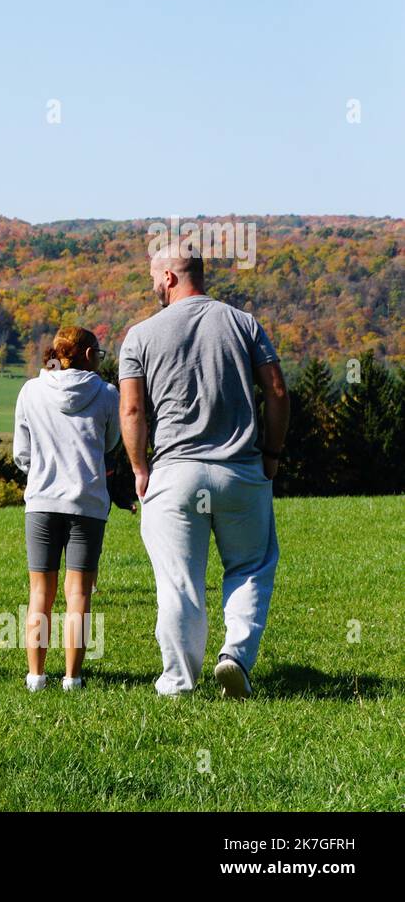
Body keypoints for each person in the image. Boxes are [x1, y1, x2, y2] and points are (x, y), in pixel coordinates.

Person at [119, 243, 289, 699]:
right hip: (240, 470)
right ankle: (235, 655)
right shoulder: (243, 323)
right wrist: (271, 453)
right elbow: (276, 391)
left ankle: (177, 681)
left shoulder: (139, 335)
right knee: (250, 566)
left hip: (175, 473)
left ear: (170, 277)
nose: (153, 285)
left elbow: (133, 409)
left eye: (154, 277)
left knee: (178, 580)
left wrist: (139, 467)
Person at [13, 326, 125, 693]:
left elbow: (21, 454)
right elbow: (110, 443)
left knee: (39, 594)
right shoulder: (108, 394)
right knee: (78, 594)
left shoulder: (31, 390)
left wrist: (44, 473)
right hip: (88, 503)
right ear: (89, 355)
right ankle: (73, 678)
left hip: (42, 502)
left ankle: (35, 676)